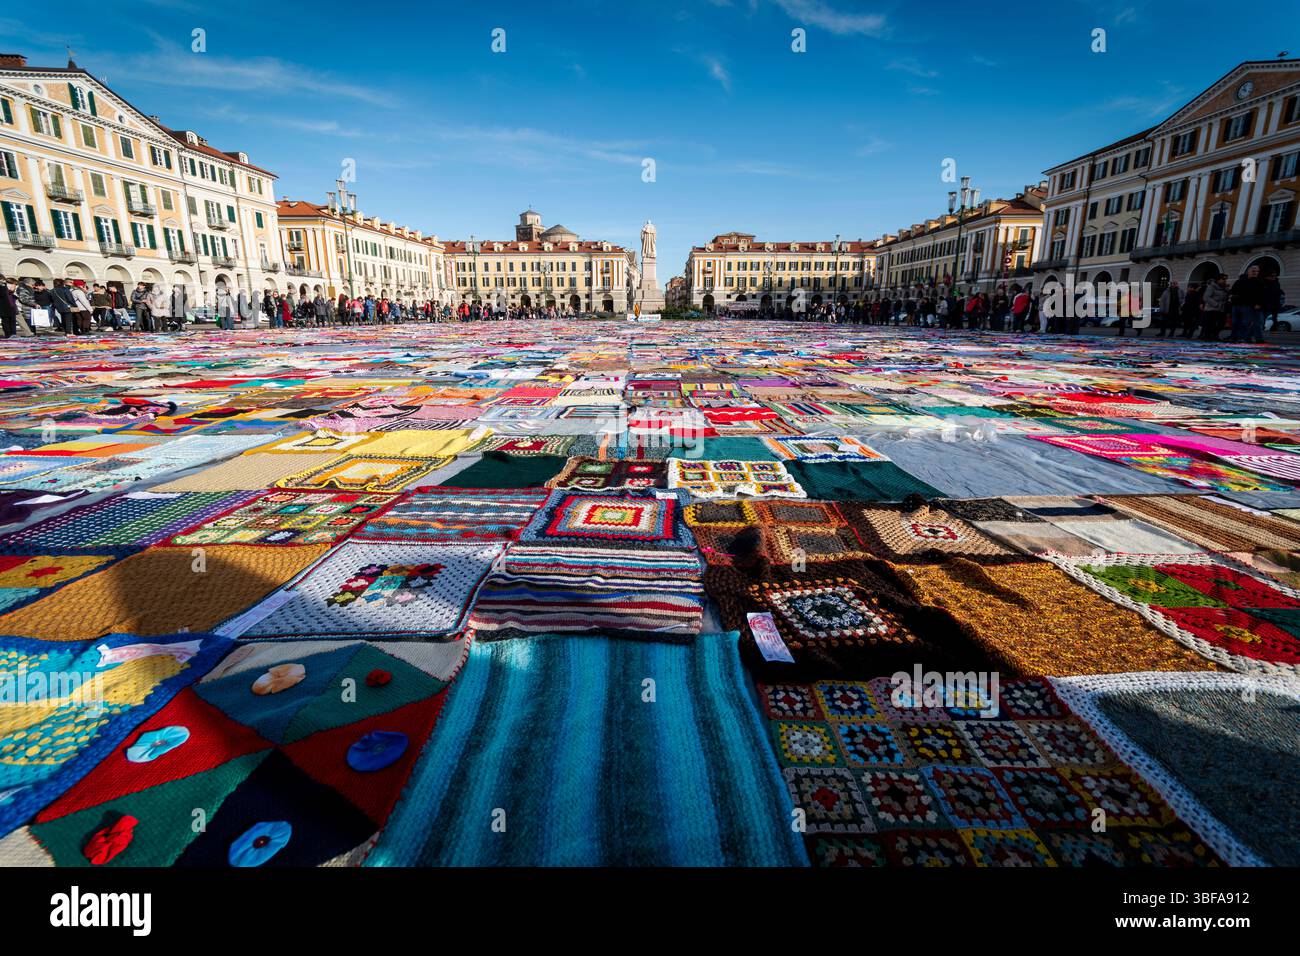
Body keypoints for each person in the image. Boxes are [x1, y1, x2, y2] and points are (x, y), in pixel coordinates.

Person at [1229, 265, 1266, 343]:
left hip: (1247, 305)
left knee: (1245, 323)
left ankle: (1242, 338)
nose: (1255, 273)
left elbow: (1261, 294)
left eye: (1257, 271)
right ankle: (1234, 337)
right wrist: (1231, 296)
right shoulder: (1240, 281)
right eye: (1253, 271)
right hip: (1236, 304)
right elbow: (1232, 291)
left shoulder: (1259, 282)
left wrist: (1258, 303)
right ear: (1248, 271)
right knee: (1235, 322)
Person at [1200, 273, 1229, 341]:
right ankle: (1207, 337)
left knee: (1221, 323)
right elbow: (1206, 297)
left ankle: (1215, 335)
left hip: (1221, 309)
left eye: (1225, 279)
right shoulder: (1211, 287)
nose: (1225, 281)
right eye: (1223, 279)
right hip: (1211, 309)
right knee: (1210, 324)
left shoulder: (1224, 288)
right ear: (1218, 279)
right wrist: (1215, 304)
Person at [1262, 274, 1284, 342]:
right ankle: (1263, 326)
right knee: (1265, 316)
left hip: (1274, 303)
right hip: (1268, 303)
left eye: (1274, 276)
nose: (1273, 277)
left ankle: (1273, 327)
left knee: (1274, 317)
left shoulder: (1276, 283)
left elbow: (1279, 292)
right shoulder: (1265, 283)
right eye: (1271, 276)